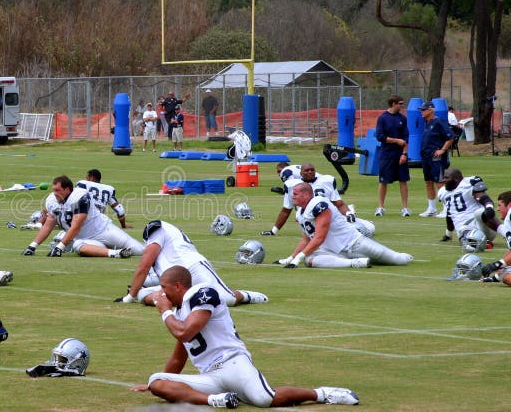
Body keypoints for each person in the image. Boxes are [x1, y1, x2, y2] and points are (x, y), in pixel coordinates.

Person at [132, 265, 359, 408]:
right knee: (156, 381)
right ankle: (216, 400)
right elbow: (178, 357)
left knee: (264, 399)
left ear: (179, 286)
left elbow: (185, 332)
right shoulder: (181, 311)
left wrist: (164, 311)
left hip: (233, 363)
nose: (161, 293)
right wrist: (161, 381)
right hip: (211, 376)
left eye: (164, 287)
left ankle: (322, 394)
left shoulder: (202, 293)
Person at [117, 219, 268, 307]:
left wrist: (128, 298)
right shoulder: (161, 243)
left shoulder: (157, 230)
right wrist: (135, 293)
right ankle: (185, 300)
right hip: (174, 280)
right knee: (143, 293)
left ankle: (248, 295)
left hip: (194, 268)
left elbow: (144, 267)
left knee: (226, 299)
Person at [277, 183, 412, 268]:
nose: (292, 197)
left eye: (295, 194)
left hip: (354, 243)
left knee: (399, 260)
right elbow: (306, 239)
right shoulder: (300, 213)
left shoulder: (319, 204)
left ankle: (403, 255)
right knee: (310, 259)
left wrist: (298, 258)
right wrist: (291, 258)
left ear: (306, 195)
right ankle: (355, 263)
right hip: (336, 251)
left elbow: (319, 238)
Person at [22, 175, 143, 258]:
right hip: (87, 240)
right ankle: (116, 253)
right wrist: (32, 247)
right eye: (54, 190)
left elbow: (76, 226)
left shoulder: (80, 196)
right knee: (77, 245)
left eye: (58, 190)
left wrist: (59, 247)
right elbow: (48, 225)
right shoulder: (51, 200)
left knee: (140, 251)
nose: (55, 193)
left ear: (67, 189)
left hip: (104, 231)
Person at [261, 163, 361, 236]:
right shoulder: (292, 185)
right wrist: (273, 231)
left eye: (312, 170)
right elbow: (285, 211)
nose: (310, 172)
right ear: (301, 173)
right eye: (307, 170)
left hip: (331, 218)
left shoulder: (327, 181)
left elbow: (339, 204)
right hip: (313, 223)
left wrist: (349, 213)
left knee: (366, 229)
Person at [438, 168, 499, 245]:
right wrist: (448, 233)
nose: (444, 180)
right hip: (465, 230)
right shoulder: (443, 192)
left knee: (480, 212)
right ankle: (481, 242)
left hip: (483, 226)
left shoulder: (468, 183)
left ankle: (506, 233)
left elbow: (483, 197)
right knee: (463, 230)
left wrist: (489, 207)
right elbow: (450, 214)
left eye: (447, 178)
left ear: (456, 179)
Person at [374, 95, 411, 217]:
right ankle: (380, 207)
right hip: (386, 154)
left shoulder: (403, 118)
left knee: (403, 180)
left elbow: (406, 138)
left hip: (400, 154)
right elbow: (380, 136)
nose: (402, 106)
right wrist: (396, 141)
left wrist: (404, 154)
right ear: (393, 104)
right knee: (383, 181)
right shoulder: (383, 118)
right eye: (400, 103)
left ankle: (405, 208)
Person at [419, 101, 455, 217]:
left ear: (430, 110)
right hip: (426, 157)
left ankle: (446, 208)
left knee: (439, 182)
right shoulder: (426, 122)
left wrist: (443, 150)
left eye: (423, 110)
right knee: (428, 182)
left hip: (436, 158)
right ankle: (431, 208)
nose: (421, 112)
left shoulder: (439, 122)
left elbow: (450, 137)